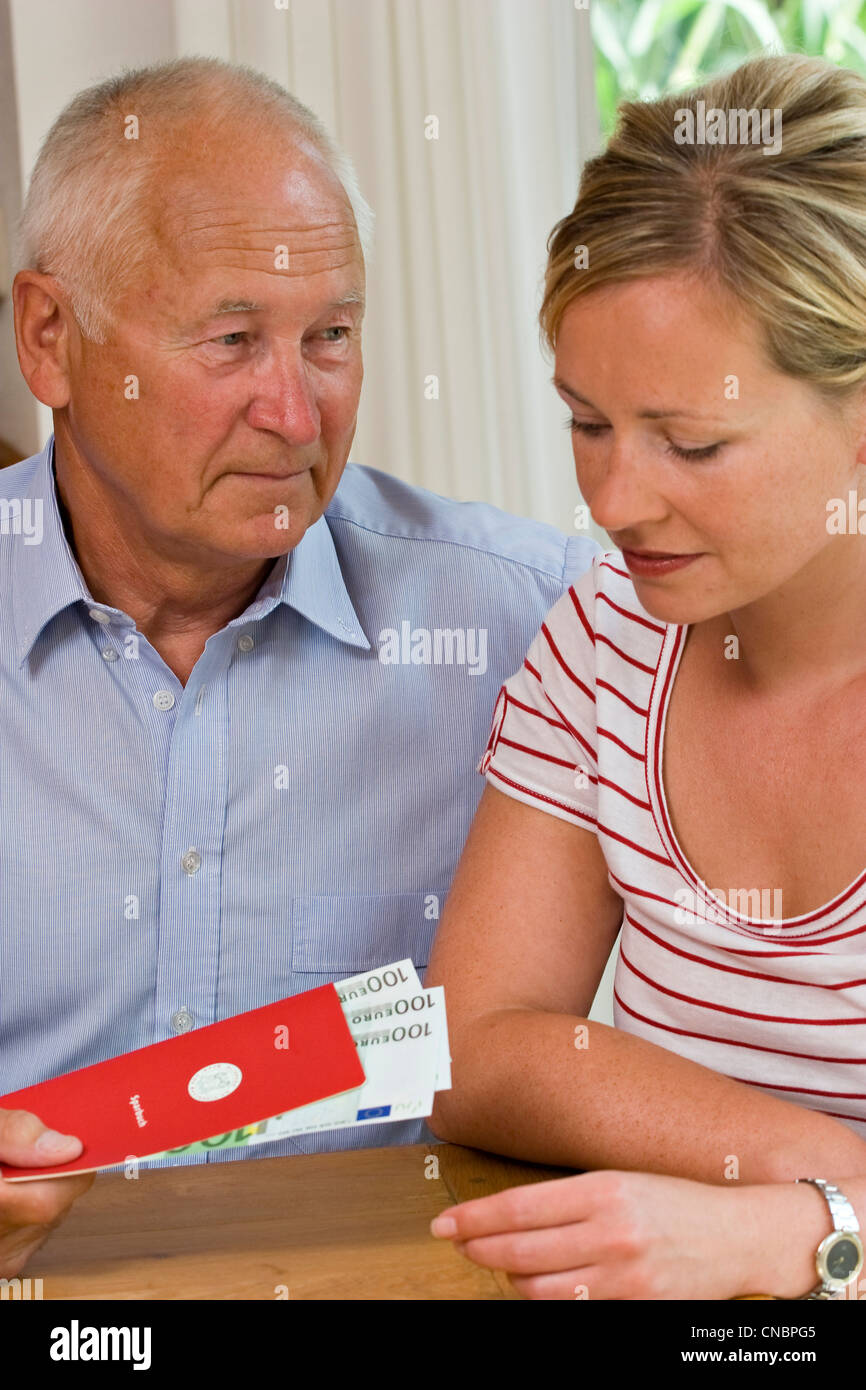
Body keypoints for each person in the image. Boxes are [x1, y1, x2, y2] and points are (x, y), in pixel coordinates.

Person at [0, 56, 600, 1278]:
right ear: (51, 341)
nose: (294, 409)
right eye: (231, 340)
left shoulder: (535, 625)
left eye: (329, 336)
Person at [426, 52, 866, 1300]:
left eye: (691, 441)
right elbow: (470, 1040)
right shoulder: (606, 636)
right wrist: (810, 1170)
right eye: (586, 422)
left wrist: (803, 1237)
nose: (613, 501)